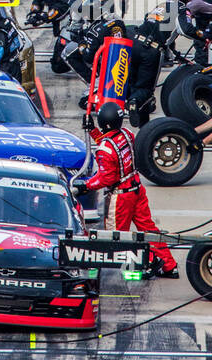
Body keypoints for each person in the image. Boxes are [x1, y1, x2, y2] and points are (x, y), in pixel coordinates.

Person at [74, 102, 178, 276]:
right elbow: (111, 143)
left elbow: (107, 177)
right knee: (150, 231)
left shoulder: (104, 150)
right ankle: (169, 266)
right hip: (137, 189)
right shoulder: (127, 134)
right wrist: (93, 132)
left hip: (121, 197)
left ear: (103, 122)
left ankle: (150, 261)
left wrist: (86, 185)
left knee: (117, 238)